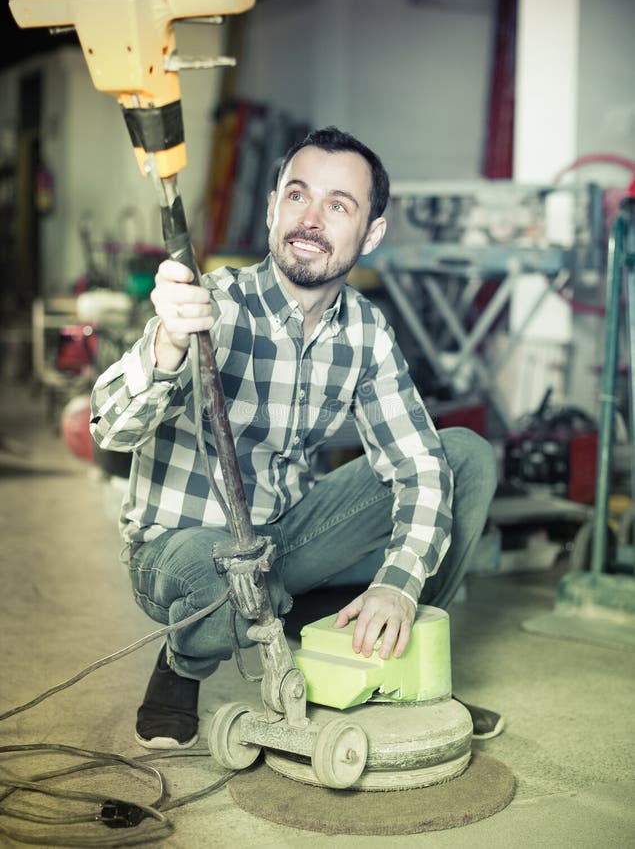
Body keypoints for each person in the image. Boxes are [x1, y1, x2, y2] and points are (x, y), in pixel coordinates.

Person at [90, 126, 501, 750]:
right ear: (271, 207)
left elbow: (417, 464)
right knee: (223, 565)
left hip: (285, 536)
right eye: (297, 196)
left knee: (462, 457)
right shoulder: (214, 305)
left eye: (339, 206)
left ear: (372, 232)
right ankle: (184, 662)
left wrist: (397, 585)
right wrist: (166, 343)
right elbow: (110, 428)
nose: (310, 220)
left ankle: (395, 650)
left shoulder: (365, 330)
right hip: (181, 552)